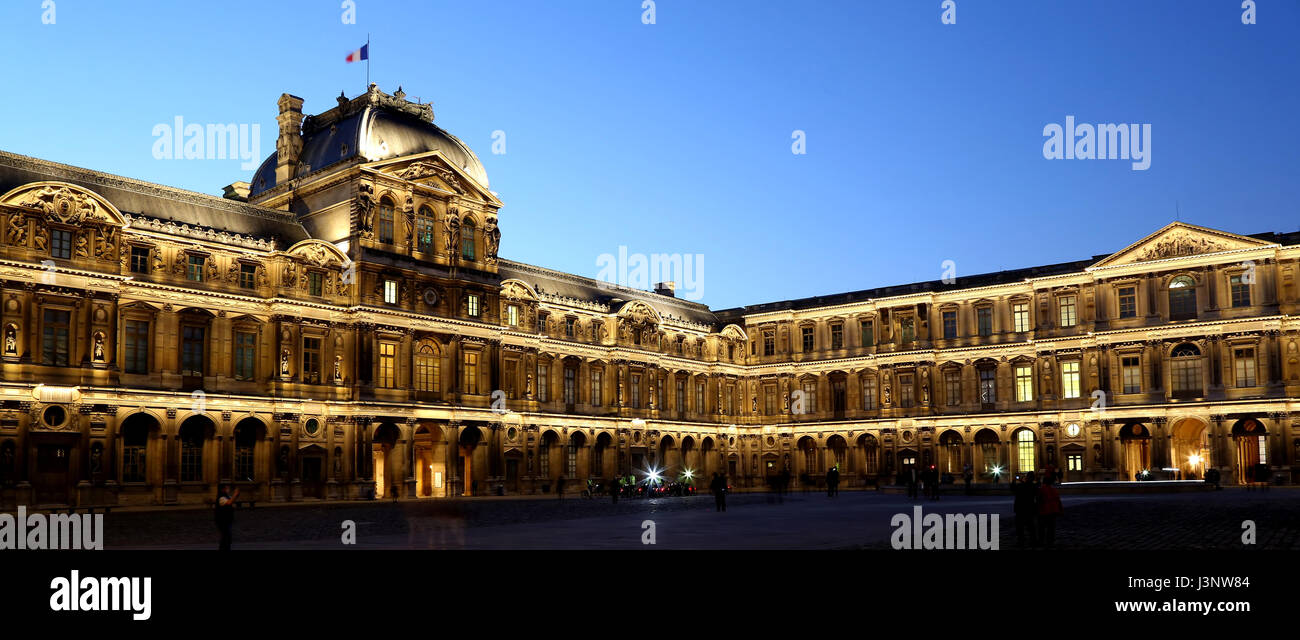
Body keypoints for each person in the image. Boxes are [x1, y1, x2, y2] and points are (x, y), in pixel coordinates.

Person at [1012, 472, 1038, 548]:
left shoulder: (1021, 485)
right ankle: (1033, 541)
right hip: (1030, 508)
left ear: (1026, 477)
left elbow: (1013, 488)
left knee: (1020, 527)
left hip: (1020, 509)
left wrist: (1015, 480)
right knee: (1031, 526)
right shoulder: (1034, 486)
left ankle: (1021, 541)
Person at [1037, 474, 1064, 548]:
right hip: (1053, 511)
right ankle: (1050, 541)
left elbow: (1039, 500)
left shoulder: (1041, 489)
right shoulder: (1054, 490)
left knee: (1042, 528)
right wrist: (1060, 510)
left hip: (1044, 511)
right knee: (1051, 528)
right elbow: (1058, 500)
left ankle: (1041, 541)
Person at [215, 483, 239, 551]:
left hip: (226, 520)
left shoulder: (226, 496)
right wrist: (235, 493)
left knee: (227, 537)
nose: (228, 489)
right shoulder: (221, 497)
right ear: (223, 489)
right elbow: (229, 502)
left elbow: (232, 499)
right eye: (227, 488)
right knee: (225, 537)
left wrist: (236, 494)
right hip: (222, 521)